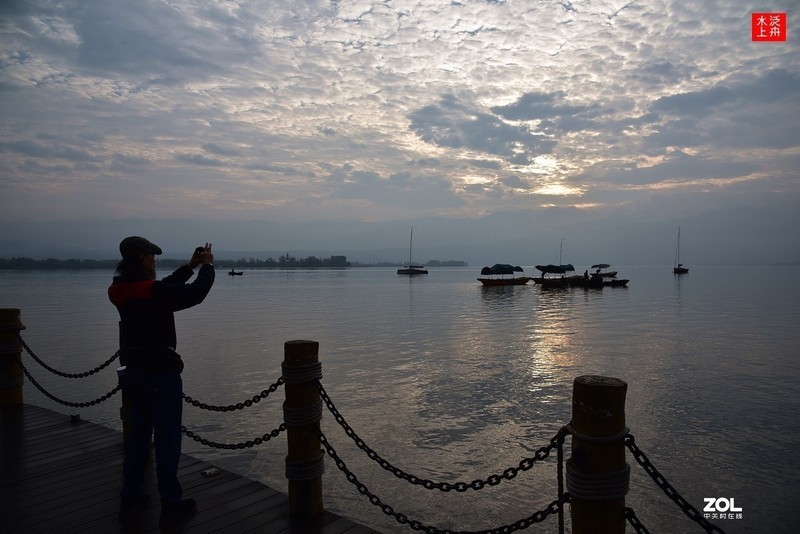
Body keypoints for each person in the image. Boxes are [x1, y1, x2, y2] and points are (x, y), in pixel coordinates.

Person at [108, 236, 215, 528]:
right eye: (152, 257)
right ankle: (170, 503)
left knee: (139, 438)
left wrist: (190, 266)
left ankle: (131, 495)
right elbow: (194, 294)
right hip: (161, 374)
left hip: (135, 372)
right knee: (168, 440)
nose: (154, 262)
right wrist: (207, 267)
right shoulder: (151, 292)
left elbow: (163, 288)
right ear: (142, 258)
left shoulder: (120, 290)